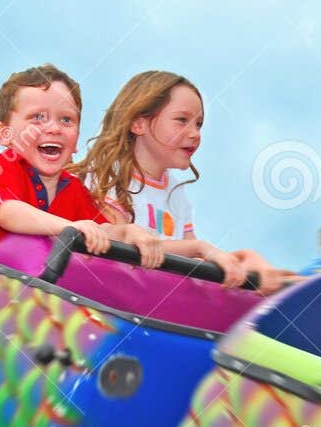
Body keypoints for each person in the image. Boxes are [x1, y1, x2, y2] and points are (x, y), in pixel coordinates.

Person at [78, 70, 289, 290]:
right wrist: (198, 248)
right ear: (139, 124)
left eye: (198, 124)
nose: (195, 133)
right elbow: (116, 251)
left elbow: (196, 261)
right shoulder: (109, 177)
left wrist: (242, 263)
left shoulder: (176, 194)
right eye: (182, 120)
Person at [0, 63, 163, 264]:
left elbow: (101, 229)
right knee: (28, 247)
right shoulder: (0, 169)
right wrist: (71, 227)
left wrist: (127, 233)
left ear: (77, 138)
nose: (54, 128)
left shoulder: (73, 189)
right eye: (38, 117)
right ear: (4, 134)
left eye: (66, 120)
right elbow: (8, 212)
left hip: (42, 289)